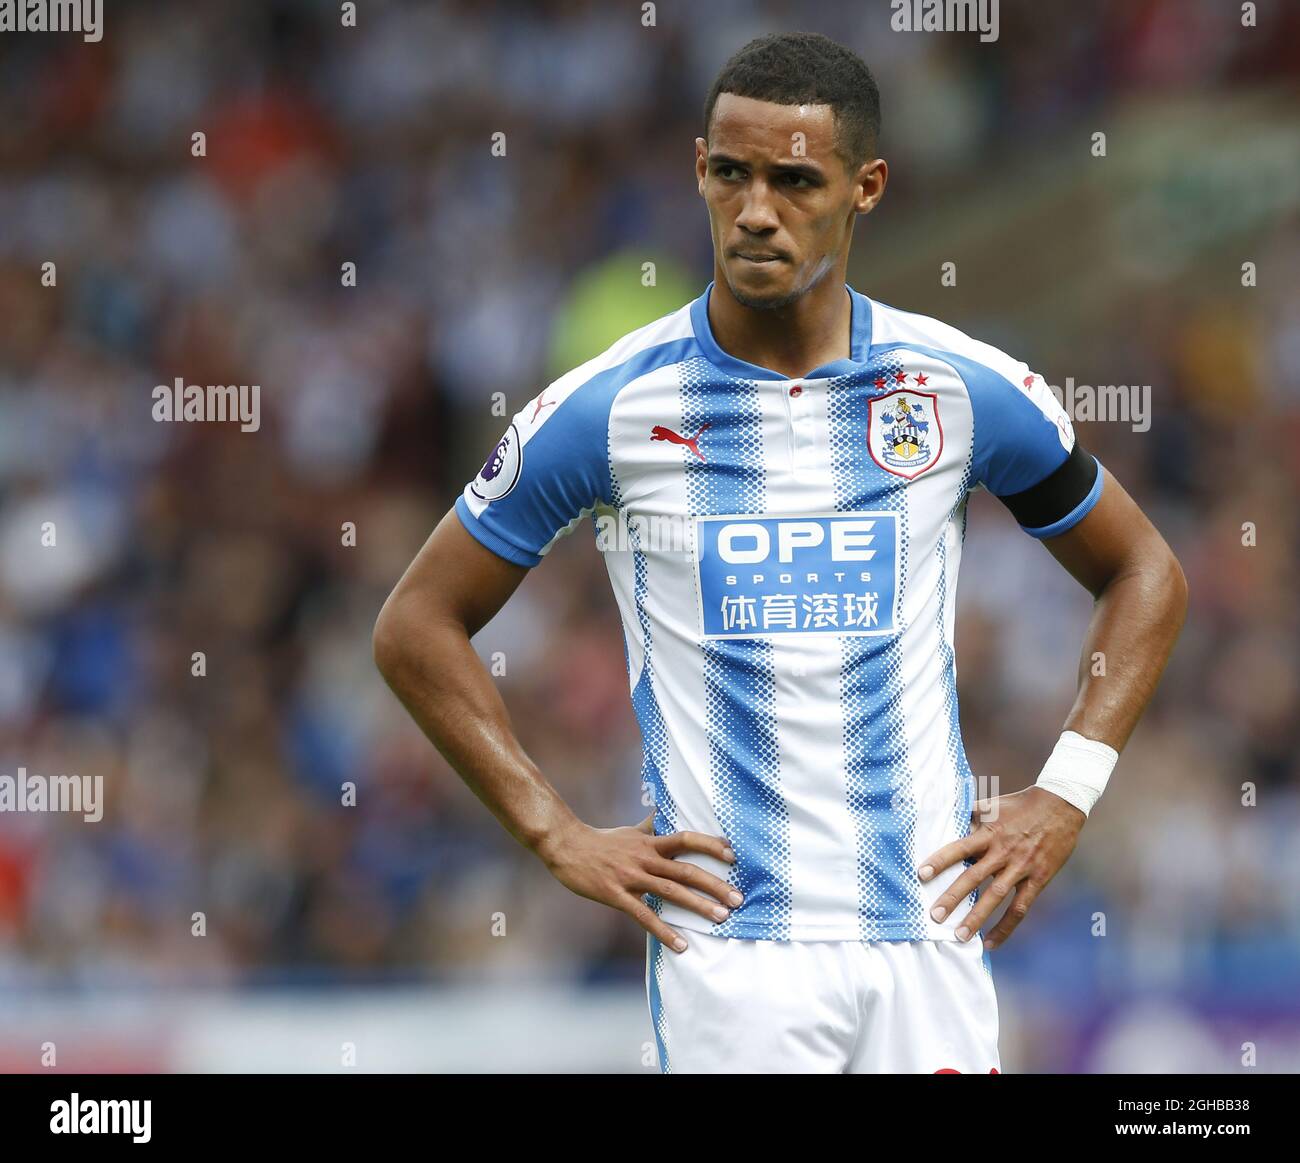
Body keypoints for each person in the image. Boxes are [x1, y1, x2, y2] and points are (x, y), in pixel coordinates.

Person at [373, 31, 1188, 1073]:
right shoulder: (612, 407)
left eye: (795, 180)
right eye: (731, 173)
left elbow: (1143, 570)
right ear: (699, 171)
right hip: (737, 959)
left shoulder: (955, 387)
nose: (756, 209)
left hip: (928, 934)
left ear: (866, 188)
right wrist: (554, 831)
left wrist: (1063, 791)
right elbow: (414, 623)